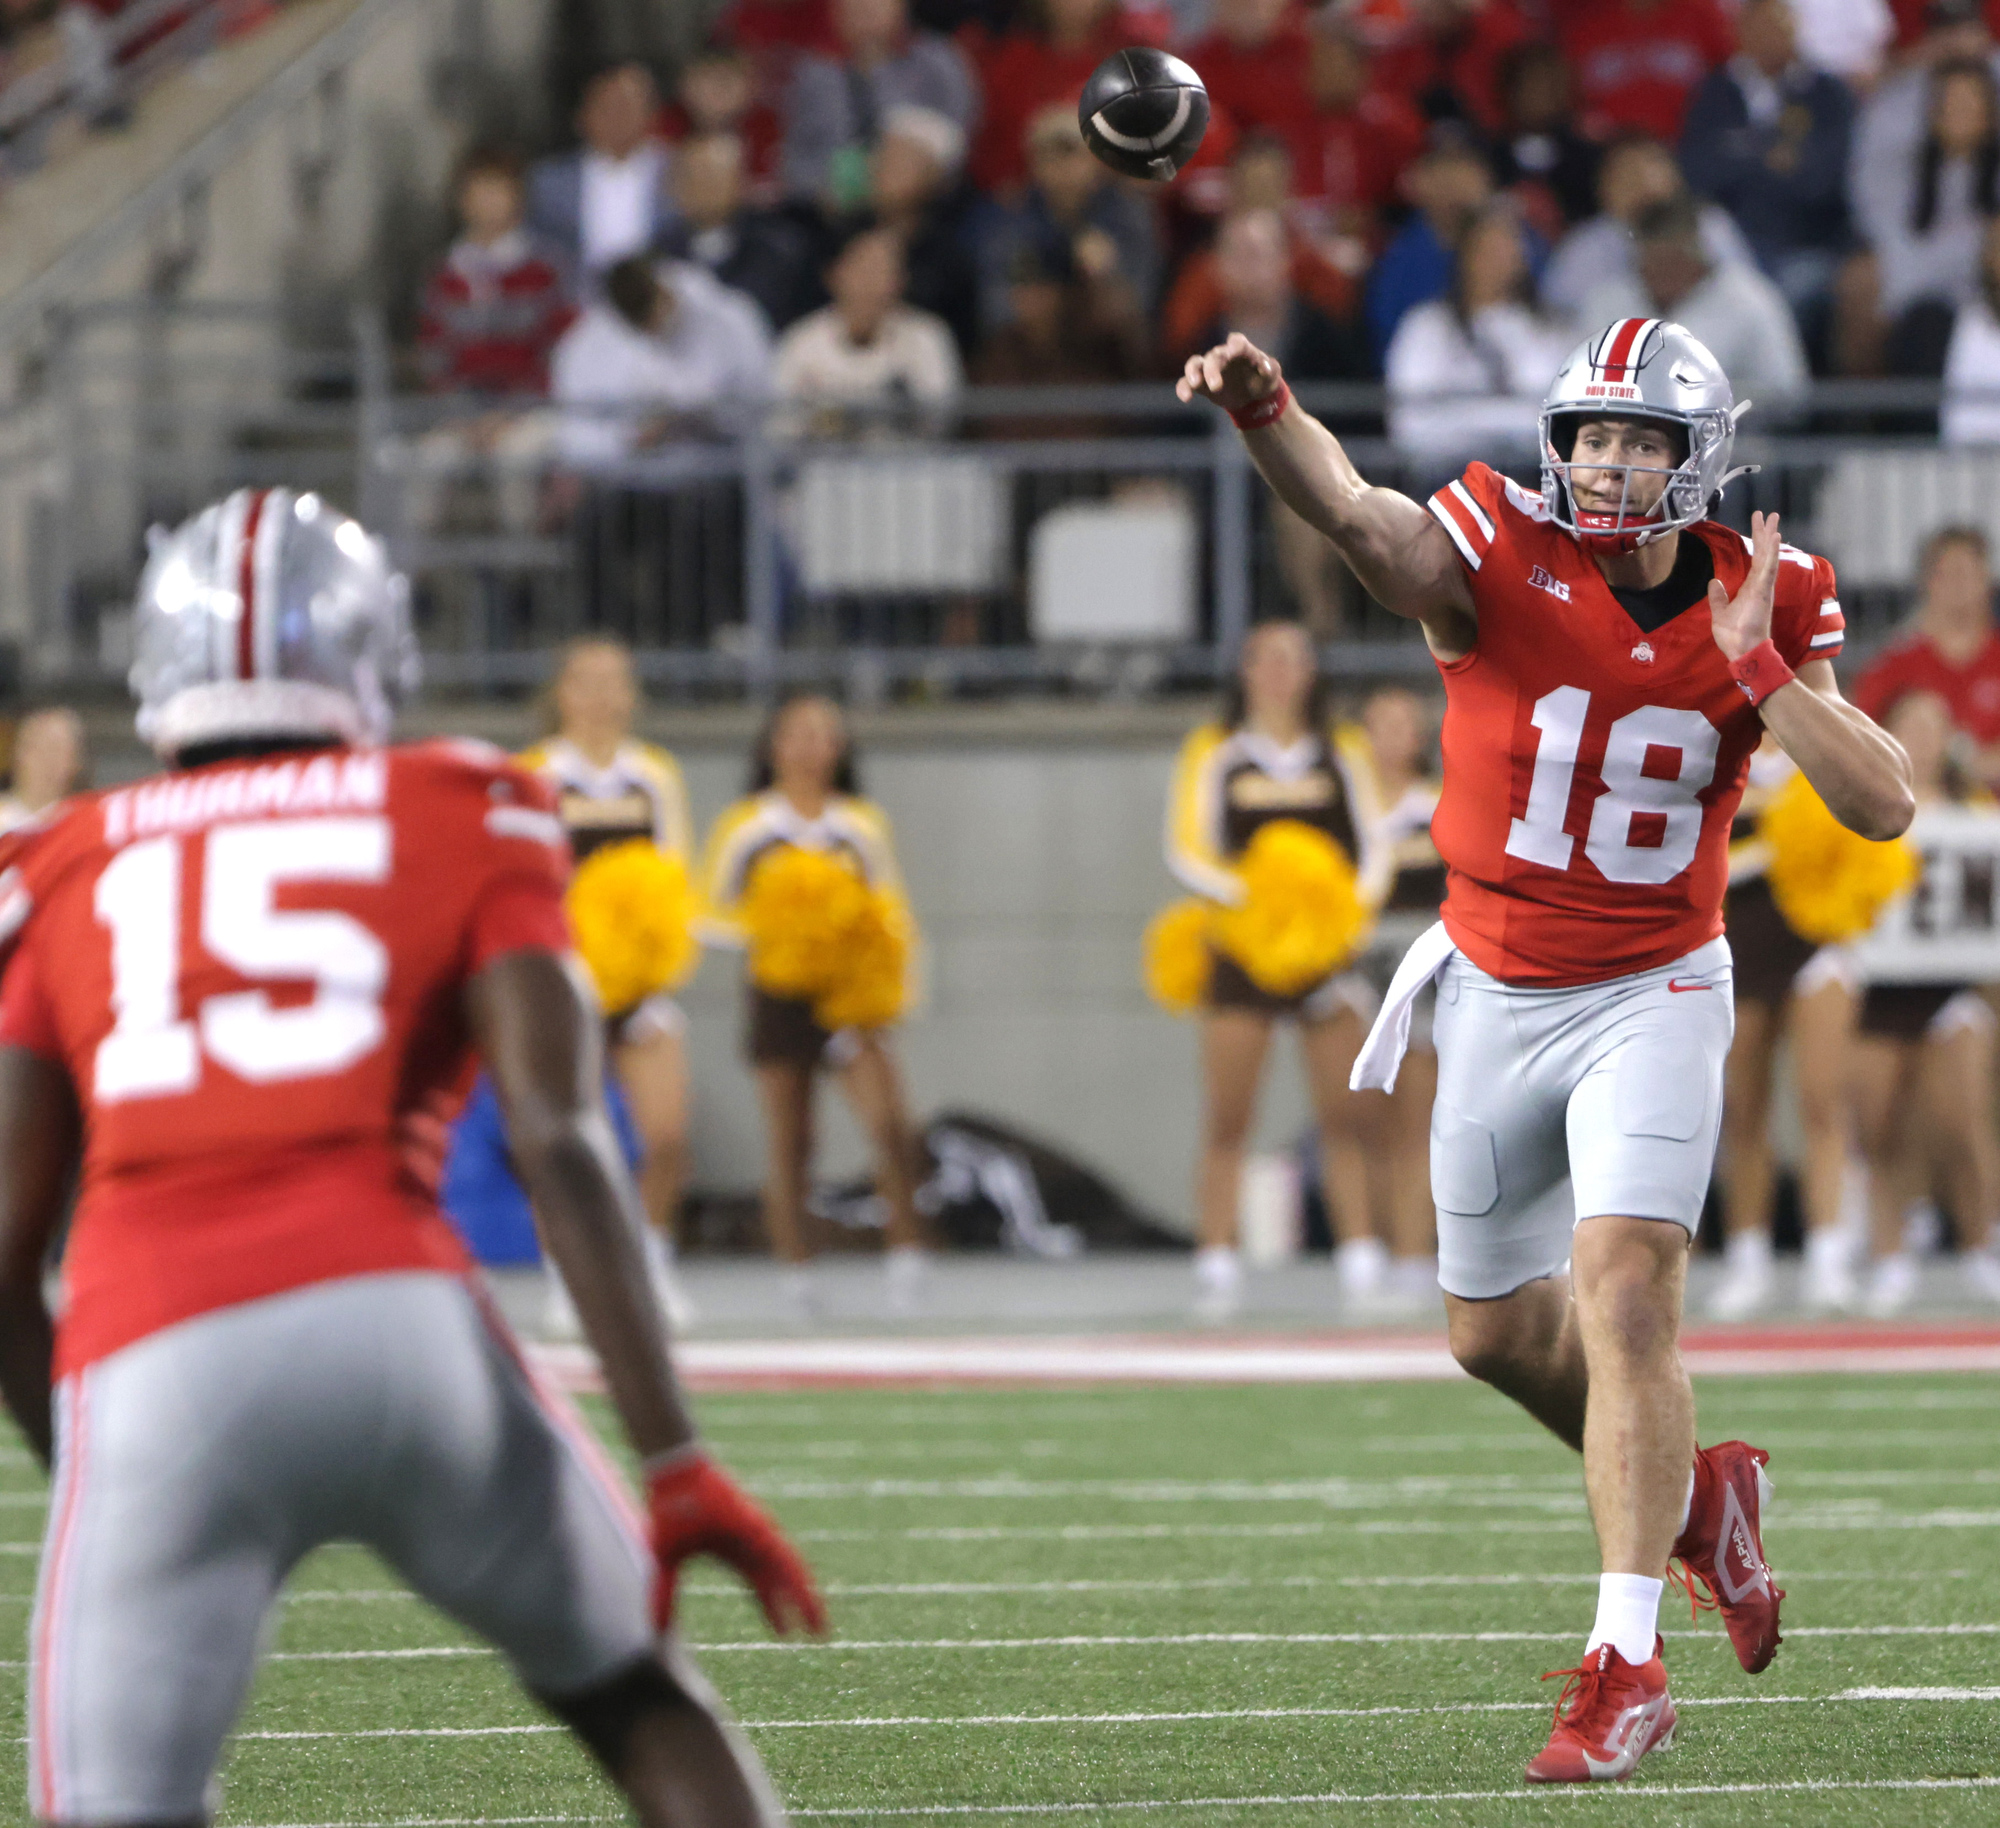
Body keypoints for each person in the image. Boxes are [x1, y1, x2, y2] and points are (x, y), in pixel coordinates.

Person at [0, 487, 824, 1825]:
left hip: (152, 1341)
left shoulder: (66, 861)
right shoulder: (462, 798)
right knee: (636, 1698)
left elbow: (0, 1248)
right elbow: (560, 1142)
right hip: (401, 1323)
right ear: (369, 653)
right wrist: (676, 1462)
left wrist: (107, 1464)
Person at [1177, 315, 1912, 1779]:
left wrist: (1761, 668)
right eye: (1596, 435)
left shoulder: (1766, 593)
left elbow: (1882, 805)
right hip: (1495, 982)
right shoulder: (1494, 548)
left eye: (1645, 440)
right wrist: (1269, 410)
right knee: (1495, 1339)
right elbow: (1359, 519)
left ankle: (1625, 1663)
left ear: (1696, 459)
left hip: (1655, 985)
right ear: (1558, 441)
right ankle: (1702, 1505)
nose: (1614, 464)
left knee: (1626, 1288)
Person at [1166, 621, 1386, 1318]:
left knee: (1344, 1114)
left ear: (1312, 671)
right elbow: (1186, 848)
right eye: (1265, 659)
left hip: (1323, 955)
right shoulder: (1217, 750)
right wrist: (1257, 901)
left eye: (1294, 658)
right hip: (1244, 952)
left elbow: (1375, 845)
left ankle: (1359, 1259)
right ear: (1245, 670)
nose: (1280, 672)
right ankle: (1216, 1261)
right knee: (1229, 1115)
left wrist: (1340, 916)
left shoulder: (1342, 749)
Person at [699, 695, 928, 1315]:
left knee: (889, 1124)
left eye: (824, 735)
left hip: (849, 996)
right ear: (772, 746)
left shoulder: (860, 824)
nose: (809, 747)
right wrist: (780, 930)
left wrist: (879, 973)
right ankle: (798, 1273)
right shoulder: (747, 825)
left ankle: (907, 1260)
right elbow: (707, 913)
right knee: (792, 1141)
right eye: (796, 734)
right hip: (778, 997)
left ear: (840, 749)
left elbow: (889, 907)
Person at [517, 637, 700, 1334]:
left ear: (633, 696)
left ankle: (651, 1263)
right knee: (571, 1139)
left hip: (638, 986)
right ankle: (570, 1276)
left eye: (614, 682)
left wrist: (652, 968)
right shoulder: (535, 774)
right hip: (562, 977)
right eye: (585, 681)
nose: (600, 696)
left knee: (667, 1137)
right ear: (561, 693)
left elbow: (672, 877)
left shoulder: (653, 776)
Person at [1850, 688, 2000, 1315]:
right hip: (1882, 984)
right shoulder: (1856, 799)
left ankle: (1979, 1245)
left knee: (1961, 1119)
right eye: (1908, 724)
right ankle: (1891, 1254)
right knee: (1879, 1122)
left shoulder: (1979, 811)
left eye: (1932, 726)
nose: (1921, 738)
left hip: (1953, 984)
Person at [1708, 737, 1862, 1319]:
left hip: (1815, 939)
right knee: (1745, 1109)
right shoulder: (1719, 737)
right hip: (1737, 940)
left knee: (1823, 1100)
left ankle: (1829, 1258)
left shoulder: (1820, 732)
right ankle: (1748, 1259)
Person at [412, 147, 577, 535]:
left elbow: (557, 354)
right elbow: (434, 358)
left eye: (497, 190)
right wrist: (465, 417)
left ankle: (520, 578)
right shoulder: (444, 277)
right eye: (477, 191)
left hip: (530, 412)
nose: (487, 202)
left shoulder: (546, 270)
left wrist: (510, 413)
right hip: (460, 415)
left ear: (517, 198)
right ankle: (415, 584)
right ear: (460, 200)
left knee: (514, 459)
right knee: (421, 464)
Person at [1678, 0, 1855, 339]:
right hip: (1727, 250)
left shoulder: (1829, 95)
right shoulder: (1713, 94)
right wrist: (1769, 157)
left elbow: (1824, 181)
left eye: (1779, 28)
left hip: (1809, 246)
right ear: (1739, 34)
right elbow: (1697, 174)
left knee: (1788, 296)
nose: (1769, 38)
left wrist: (1740, 156)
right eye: (1759, 28)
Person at [1350, 681, 1444, 1302]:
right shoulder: (1346, 806)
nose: (1391, 738)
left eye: (1403, 724)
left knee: (1419, 1116)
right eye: (1378, 723)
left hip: (1418, 968)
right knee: (1363, 1117)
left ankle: (1415, 1254)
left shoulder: (1442, 802)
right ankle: (1364, 1253)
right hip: (1352, 966)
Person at [1577, 196, 1809, 419]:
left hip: (1736, 442)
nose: (1662, 273)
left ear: (1695, 253)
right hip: (1626, 439)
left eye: (1673, 260)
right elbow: (1579, 385)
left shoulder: (1750, 299)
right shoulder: (1607, 301)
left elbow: (1787, 391)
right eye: (1653, 262)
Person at [1385, 201, 1569, 476]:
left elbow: (1559, 418)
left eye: (1507, 248)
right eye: (1486, 249)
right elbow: (1408, 422)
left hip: (1531, 475)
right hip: (1447, 477)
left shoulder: (1547, 330)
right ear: (1464, 255)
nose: (1497, 260)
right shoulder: (1426, 326)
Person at [1848, 55, 2000, 373]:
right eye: (1951, 104)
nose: (1961, 114)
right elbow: (1891, 243)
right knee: (1922, 323)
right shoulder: (1906, 172)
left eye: (1971, 104)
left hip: (1987, 302)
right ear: (1933, 113)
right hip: (1917, 301)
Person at [551, 255, 775, 463]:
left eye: (656, 318)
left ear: (664, 292)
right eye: (645, 327)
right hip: (648, 477)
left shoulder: (729, 317)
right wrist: (635, 436)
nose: (655, 330)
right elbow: (586, 427)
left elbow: (758, 398)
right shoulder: (592, 340)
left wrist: (693, 414)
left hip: (726, 462)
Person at [974, 102, 1161, 345]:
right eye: (1049, 156)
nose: (1062, 169)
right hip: (1032, 356)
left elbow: (1142, 305)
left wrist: (1107, 276)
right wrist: (1041, 300)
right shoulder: (1013, 216)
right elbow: (993, 309)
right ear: (1033, 164)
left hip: (1109, 356)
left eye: (1072, 154)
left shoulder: (1127, 215)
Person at [1539, 135, 1756, 327]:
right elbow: (1559, 318)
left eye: (1649, 171)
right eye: (1627, 175)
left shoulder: (1710, 225)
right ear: (1603, 189)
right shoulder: (1585, 246)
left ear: (1676, 178)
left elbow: (1746, 298)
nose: (1641, 184)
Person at [781, 0, 978, 211]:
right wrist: (821, 190)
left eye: (875, 3)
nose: (865, 9)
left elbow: (960, 143)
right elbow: (794, 159)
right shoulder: (815, 74)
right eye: (853, 5)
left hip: (923, 208)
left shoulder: (937, 63)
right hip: (827, 213)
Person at [963, 0, 1171, 196]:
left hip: (1109, 196)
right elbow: (991, 149)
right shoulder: (1013, 61)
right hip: (1027, 199)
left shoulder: (1129, 60)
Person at [774, 222, 963, 436]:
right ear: (834, 274)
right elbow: (780, 427)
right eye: (866, 267)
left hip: (907, 464)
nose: (875, 281)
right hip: (821, 463)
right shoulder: (801, 341)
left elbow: (943, 423)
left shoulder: (927, 336)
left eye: (887, 269)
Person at [1856, 524, 2000, 780]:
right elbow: (1859, 739)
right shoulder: (1895, 664)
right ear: (1926, 581)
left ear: (1986, 579)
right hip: (1918, 808)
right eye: (1947, 575)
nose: (1958, 586)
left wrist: (1967, 764)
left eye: (1966, 573)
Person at [528, 61, 678, 284]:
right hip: (577, 307)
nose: (618, 119)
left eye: (627, 107)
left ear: (652, 114)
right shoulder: (548, 182)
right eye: (607, 107)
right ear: (582, 115)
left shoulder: (680, 173)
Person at [657, 131, 820, 334]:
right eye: (691, 176)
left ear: (740, 182)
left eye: (712, 175)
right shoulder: (659, 256)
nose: (702, 186)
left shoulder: (780, 252)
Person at [1556, 0, 1736, 144]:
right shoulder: (1585, 22)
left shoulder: (1703, 13)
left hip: (1692, 150)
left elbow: (1730, 85)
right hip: (1608, 158)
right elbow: (1572, 106)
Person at [0, 704, 85, 831]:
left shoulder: (84, 825)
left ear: (75, 761)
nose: (47, 759)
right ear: (17, 753)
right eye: (38, 747)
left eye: (57, 749)